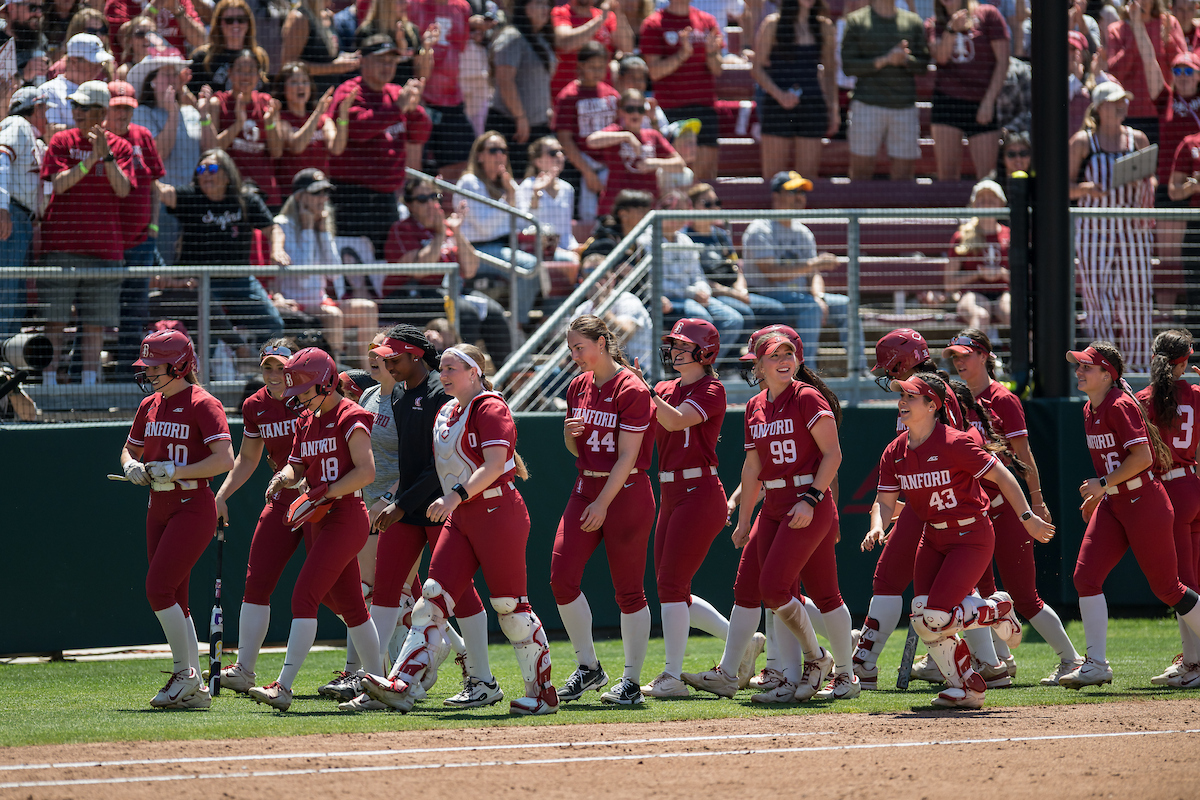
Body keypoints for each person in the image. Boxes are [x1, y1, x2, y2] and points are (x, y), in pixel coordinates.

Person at [361, 342, 560, 716]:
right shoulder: (448, 411)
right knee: (431, 599)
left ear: (475, 372)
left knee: (510, 609)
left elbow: (495, 463)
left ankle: (542, 693)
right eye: (444, 368)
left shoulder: (490, 406)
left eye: (453, 368)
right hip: (463, 514)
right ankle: (403, 681)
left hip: (497, 511)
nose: (444, 374)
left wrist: (452, 497)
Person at [683, 328, 852, 702]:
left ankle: (820, 664)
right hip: (774, 505)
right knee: (753, 587)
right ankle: (761, 674)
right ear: (757, 365)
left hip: (806, 501)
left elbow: (833, 455)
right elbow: (752, 468)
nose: (783, 361)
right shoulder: (756, 404)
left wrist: (812, 500)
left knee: (787, 590)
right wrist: (744, 519)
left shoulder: (807, 397)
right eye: (773, 356)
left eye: (788, 354)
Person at [865, 371, 1050, 708]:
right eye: (900, 396)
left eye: (909, 397)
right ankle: (966, 688)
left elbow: (1004, 476)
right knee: (923, 617)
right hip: (933, 538)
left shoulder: (955, 441)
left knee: (935, 614)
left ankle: (997, 609)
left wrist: (1028, 517)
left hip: (971, 537)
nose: (901, 402)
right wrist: (877, 525)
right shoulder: (895, 450)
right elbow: (885, 500)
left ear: (932, 405)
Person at [357, 327, 493, 709]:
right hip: (408, 505)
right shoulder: (398, 393)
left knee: (459, 593)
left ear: (416, 356)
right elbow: (410, 461)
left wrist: (400, 503)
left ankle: (480, 674)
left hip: (442, 506)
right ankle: (374, 680)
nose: (386, 366)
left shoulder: (439, 393)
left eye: (394, 359)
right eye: (384, 360)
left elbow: (440, 464)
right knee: (385, 591)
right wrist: (398, 502)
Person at [247, 346, 383, 711]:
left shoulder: (350, 415)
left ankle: (284, 686)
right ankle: (380, 685)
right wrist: (283, 477)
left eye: (302, 389)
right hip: (320, 515)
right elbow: (298, 466)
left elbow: (365, 473)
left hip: (345, 515)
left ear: (324, 383)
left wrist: (324, 491)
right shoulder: (306, 419)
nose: (296, 397)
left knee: (304, 596)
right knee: (354, 607)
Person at [945, 329, 1082, 685]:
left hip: (1004, 507)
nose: (959, 363)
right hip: (970, 511)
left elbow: (1023, 456)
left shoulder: (1002, 399)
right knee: (984, 593)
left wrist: (1036, 501)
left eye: (965, 355)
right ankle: (999, 661)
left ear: (985, 356)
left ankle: (1071, 659)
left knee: (1023, 595)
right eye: (955, 357)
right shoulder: (949, 398)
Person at [1064, 341, 1200, 689]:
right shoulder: (1090, 408)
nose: (1079, 371)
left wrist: (1103, 484)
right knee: (1085, 577)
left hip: (1144, 501)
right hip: (1115, 503)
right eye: (1078, 366)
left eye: (1086, 367)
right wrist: (1103, 492)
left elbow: (1142, 458)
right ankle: (1095, 664)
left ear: (1108, 374)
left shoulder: (1120, 404)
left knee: (1169, 588)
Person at [119, 328, 235, 709]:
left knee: (158, 589)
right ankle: (195, 687)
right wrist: (132, 465)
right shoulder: (149, 405)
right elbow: (127, 450)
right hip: (159, 505)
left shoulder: (204, 403)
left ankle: (183, 673)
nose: (149, 372)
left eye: (156, 365)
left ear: (181, 365)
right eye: (147, 365)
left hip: (191, 504)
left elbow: (224, 460)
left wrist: (178, 470)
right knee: (176, 597)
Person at [552, 314, 655, 706]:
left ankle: (631, 681)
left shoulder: (631, 386)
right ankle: (589, 667)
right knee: (561, 577)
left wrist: (602, 502)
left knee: (629, 591)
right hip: (587, 485)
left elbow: (628, 456)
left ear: (602, 342)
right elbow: (574, 447)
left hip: (624, 492)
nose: (575, 355)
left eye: (580, 347)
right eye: (571, 349)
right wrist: (567, 433)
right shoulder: (578, 385)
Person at [634, 319, 733, 698]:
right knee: (671, 588)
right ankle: (741, 641)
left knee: (671, 586)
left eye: (683, 344)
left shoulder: (712, 388)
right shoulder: (663, 387)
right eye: (673, 344)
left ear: (705, 352)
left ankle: (672, 677)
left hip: (700, 489)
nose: (675, 350)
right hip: (672, 490)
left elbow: (675, 421)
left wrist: (644, 390)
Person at [210, 338, 304, 694]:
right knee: (257, 581)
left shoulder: (314, 398)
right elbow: (248, 458)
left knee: (340, 591)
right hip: (281, 498)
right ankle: (245, 669)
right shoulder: (255, 405)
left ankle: (362, 669)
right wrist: (221, 494)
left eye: (283, 367)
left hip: (326, 499)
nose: (275, 375)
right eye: (269, 367)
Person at [38, 79, 134, 387]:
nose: (76, 111)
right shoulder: (61, 141)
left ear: (101, 111)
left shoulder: (121, 147)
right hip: (62, 248)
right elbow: (59, 184)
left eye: (83, 107)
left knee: (95, 326)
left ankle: (90, 388)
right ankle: (49, 385)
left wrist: (105, 157)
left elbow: (122, 190)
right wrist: (90, 159)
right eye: (74, 106)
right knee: (55, 322)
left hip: (105, 252)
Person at [156, 149, 285, 359]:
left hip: (239, 280)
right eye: (201, 169)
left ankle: (266, 374)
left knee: (273, 323)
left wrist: (277, 249)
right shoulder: (190, 197)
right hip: (200, 281)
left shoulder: (246, 200)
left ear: (227, 174)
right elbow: (161, 192)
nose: (205, 173)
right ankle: (207, 384)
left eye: (212, 168)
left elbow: (274, 229)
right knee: (208, 333)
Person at [1070, 81, 1157, 371]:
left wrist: (1141, 182)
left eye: (1124, 100)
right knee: (1098, 297)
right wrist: (1086, 189)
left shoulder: (1138, 139)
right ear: (1099, 107)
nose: (1121, 106)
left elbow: (1152, 182)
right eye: (1114, 101)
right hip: (1095, 229)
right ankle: (1103, 366)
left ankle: (1138, 368)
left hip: (1133, 230)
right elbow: (1064, 187)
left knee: (1137, 295)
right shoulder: (1083, 142)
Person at [384, 176, 513, 362]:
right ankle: (459, 371)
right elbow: (421, 271)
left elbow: (470, 270)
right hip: (409, 295)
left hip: (447, 292)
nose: (430, 203)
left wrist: (457, 232)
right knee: (466, 313)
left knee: (495, 312)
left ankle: (509, 376)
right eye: (422, 199)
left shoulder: (448, 227)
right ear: (410, 205)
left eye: (433, 196)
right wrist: (440, 235)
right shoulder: (402, 229)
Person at [1135, 330, 1200, 688]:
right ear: (1185, 362)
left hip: (1166, 488)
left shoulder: (1144, 397)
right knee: (1191, 580)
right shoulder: (1195, 393)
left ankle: (1194, 662)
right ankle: (1191, 660)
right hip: (1192, 483)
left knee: (1181, 584)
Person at [325, 34, 429, 259]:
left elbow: (420, 133)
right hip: (352, 197)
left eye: (391, 61)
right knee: (353, 264)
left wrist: (414, 108)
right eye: (381, 60)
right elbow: (357, 129)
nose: (387, 66)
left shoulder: (394, 93)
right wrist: (397, 109)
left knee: (385, 262)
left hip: (386, 198)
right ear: (363, 60)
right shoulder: (350, 91)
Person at [740, 171, 848, 370]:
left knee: (845, 305)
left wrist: (820, 296)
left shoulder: (803, 232)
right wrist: (814, 265)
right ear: (776, 196)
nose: (800, 197)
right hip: (769, 295)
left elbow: (814, 274)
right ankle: (808, 373)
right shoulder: (760, 229)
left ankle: (858, 371)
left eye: (802, 192)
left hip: (802, 296)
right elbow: (772, 272)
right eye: (793, 191)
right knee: (810, 308)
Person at [272, 168, 379, 369]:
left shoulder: (321, 224)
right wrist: (307, 230)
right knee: (333, 315)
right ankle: (334, 375)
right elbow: (303, 275)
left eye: (325, 192)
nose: (323, 198)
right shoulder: (281, 224)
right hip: (293, 302)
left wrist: (321, 232)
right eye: (316, 193)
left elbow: (335, 273)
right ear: (299, 197)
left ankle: (367, 376)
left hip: (320, 301)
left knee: (367, 308)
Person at [455, 130, 542, 331]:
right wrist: (507, 200)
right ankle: (517, 325)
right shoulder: (469, 182)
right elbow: (484, 227)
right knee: (531, 266)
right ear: (479, 155)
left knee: (556, 264)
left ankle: (542, 322)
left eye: (503, 150)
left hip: (504, 247)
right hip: (476, 251)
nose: (499, 155)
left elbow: (522, 220)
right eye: (493, 150)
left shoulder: (504, 183)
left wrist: (511, 193)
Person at [109, 79, 166, 373]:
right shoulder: (100, 140)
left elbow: (155, 185)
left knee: (135, 311)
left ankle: (127, 374)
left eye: (127, 109)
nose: (122, 115)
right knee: (100, 310)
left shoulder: (142, 135)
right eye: (117, 109)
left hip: (141, 240)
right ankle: (89, 374)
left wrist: (154, 229)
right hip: (106, 243)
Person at [681, 182, 790, 335]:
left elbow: (736, 266)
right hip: (713, 294)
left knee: (776, 310)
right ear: (692, 207)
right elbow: (697, 277)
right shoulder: (686, 238)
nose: (714, 208)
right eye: (708, 204)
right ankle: (734, 358)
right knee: (745, 315)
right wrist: (733, 294)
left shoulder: (721, 234)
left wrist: (741, 289)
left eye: (717, 203)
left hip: (735, 291)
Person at [840, 0, 930, 181]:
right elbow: (848, 66)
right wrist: (884, 60)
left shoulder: (913, 22)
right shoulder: (856, 20)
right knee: (860, 175)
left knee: (904, 177)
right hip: (866, 106)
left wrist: (905, 60)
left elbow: (923, 64)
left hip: (904, 107)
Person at [651, 190, 745, 363]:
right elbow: (655, 282)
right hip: (671, 299)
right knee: (702, 320)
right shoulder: (648, 240)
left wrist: (702, 291)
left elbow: (698, 275)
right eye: (675, 211)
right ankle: (688, 368)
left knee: (733, 320)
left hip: (694, 296)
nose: (680, 216)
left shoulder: (685, 240)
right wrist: (692, 293)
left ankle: (705, 366)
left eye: (682, 211)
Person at [751, 0, 839, 182]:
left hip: (812, 107)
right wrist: (780, 95)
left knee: (806, 179)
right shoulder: (772, 24)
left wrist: (833, 109)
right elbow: (756, 69)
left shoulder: (825, 26)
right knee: (774, 181)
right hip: (777, 107)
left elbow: (830, 72)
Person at [129, 46, 202, 265]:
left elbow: (208, 152)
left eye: (175, 73)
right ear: (152, 81)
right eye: (167, 73)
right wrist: (172, 113)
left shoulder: (191, 112)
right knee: (165, 266)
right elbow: (158, 154)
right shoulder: (141, 113)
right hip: (162, 204)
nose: (173, 78)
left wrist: (205, 114)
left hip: (194, 202)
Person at [926, 0, 1010, 182]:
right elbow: (940, 57)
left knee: (988, 178)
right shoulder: (934, 24)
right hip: (947, 102)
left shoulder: (989, 15)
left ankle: (985, 210)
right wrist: (951, 29)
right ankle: (951, 211)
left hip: (982, 101)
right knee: (947, 177)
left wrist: (988, 102)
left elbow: (1003, 62)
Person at [639, 0, 723, 181]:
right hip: (671, 109)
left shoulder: (707, 20)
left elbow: (717, 69)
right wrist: (682, 54)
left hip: (704, 107)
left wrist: (710, 52)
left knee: (705, 178)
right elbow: (654, 72)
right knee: (674, 177)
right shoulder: (653, 23)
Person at [200, 48, 282, 206]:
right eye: (240, 70)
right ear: (229, 73)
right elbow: (213, 149)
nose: (245, 76)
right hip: (230, 194)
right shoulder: (218, 103)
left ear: (258, 75)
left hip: (265, 194)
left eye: (251, 71)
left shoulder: (266, 102)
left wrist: (270, 124)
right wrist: (238, 123)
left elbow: (277, 152)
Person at [486, 0, 556, 179]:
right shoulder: (512, 37)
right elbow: (504, 80)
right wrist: (520, 117)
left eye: (548, 5)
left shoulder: (540, 38)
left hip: (537, 127)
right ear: (524, 8)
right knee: (509, 182)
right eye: (540, 4)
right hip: (512, 127)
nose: (545, 9)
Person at [585, 88, 683, 216]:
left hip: (647, 206)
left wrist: (655, 163)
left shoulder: (653, 135)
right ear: (620, 112)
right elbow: (591, 141)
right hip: (616, 207)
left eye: (640, 109)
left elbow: (680, 164)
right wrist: (627, 137)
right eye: (630, 109)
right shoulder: (616, 132)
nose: (635, 113)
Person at [553, 42, 619, 225]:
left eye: (601, 67)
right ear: (580, 65)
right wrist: (588, 172)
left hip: (610, 167)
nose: (597, 72)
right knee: (585, 218)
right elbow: (564, 139)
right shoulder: (568, 96)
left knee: (611, 215)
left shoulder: (611, 94)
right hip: (579, 169)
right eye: (592, 67)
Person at [0, 87, 48, 341]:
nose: (47, 116)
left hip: (23, 219)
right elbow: (1, 159)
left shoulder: (33, 137)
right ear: (35, 108)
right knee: (7, 287)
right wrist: (2, 208)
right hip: (13, 214)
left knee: (15, 289)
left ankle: (8, 355)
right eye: (44, 110)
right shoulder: (17, 124)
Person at [1106, 0, 1186, 145]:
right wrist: (1136, 35)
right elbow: (1115, 72)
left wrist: (1169, 42)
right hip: (1128, 115)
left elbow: (1184, 67)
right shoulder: (1116, 29)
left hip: (1162, 112)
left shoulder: (1169, 23)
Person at [409, 0, 475, 170]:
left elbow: (460, 47)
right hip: (420, 103)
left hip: (453, 101)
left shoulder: (462, 8)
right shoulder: (413, 5)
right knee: (415, 169)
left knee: (460, 164)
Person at [942, 179, 1010, 332]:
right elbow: (949, 283)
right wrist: (977, 274)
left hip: (1003, 293)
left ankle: (1027, 356)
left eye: (991, 201)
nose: (986, 205)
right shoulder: (962, 236)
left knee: (1014, 313)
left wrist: (1001, 274)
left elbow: (1024, 278)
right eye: (982, 201)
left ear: (1001, 205)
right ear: (974, 205)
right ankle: (973, 354)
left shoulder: (1011, 236)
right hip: (971, 293)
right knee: (980, 315)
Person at [273, 61, 344, 193]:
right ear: (283, 87)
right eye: (294, 82)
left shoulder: (323, 120)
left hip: (320, 192)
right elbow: (296, 146)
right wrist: (317, 113)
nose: (301, 86)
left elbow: (337, 148)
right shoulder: (280, 119)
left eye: (305, 82)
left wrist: (343, 114)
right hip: (292, 194)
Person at [550, 0, 632, 103]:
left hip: (602, 99)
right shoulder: (560, 12)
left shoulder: (608, 16)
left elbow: (628, 48)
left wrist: (618, 12)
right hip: (569, 99)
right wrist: (600, 20)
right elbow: (565, 43)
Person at [517, 135, 580, 263]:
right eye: (552, 153)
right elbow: (523, 224)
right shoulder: (527, 186)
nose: (559, 156)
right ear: (538, 161)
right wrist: (536, 192)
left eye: (561, 151)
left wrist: (575, 249)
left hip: (565, 250)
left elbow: (566, 231)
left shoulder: (568, 188)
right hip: (535, 250)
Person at [187, 0, 270, 94]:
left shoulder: (259, 56)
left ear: (248, 23)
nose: (235, 24)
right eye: (229, 20)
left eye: (241, 19)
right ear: (219, 23)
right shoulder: (203, 57)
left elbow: (263, 92)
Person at [281, 0, 360, 96]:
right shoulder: (299, 18)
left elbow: (328, 57)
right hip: (308, 96)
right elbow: (288, 64)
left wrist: (347, 58)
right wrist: (333, 67)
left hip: (331, 92)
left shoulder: (328, 16)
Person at [42, 33, 115, 136]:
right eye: (94, 62)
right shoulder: (49, 90)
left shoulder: (101, 88)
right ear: (74, 61)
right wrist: (90, 127)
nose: (99, 67)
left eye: (101, 63)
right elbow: (50, 133)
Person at [106, 0, 205, 65]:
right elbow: (124, 39)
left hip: (174, 69)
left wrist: (178, 12)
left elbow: (200, 40)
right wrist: (155, 6)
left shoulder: (180, 1)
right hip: (137, 70)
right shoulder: (119, 2)